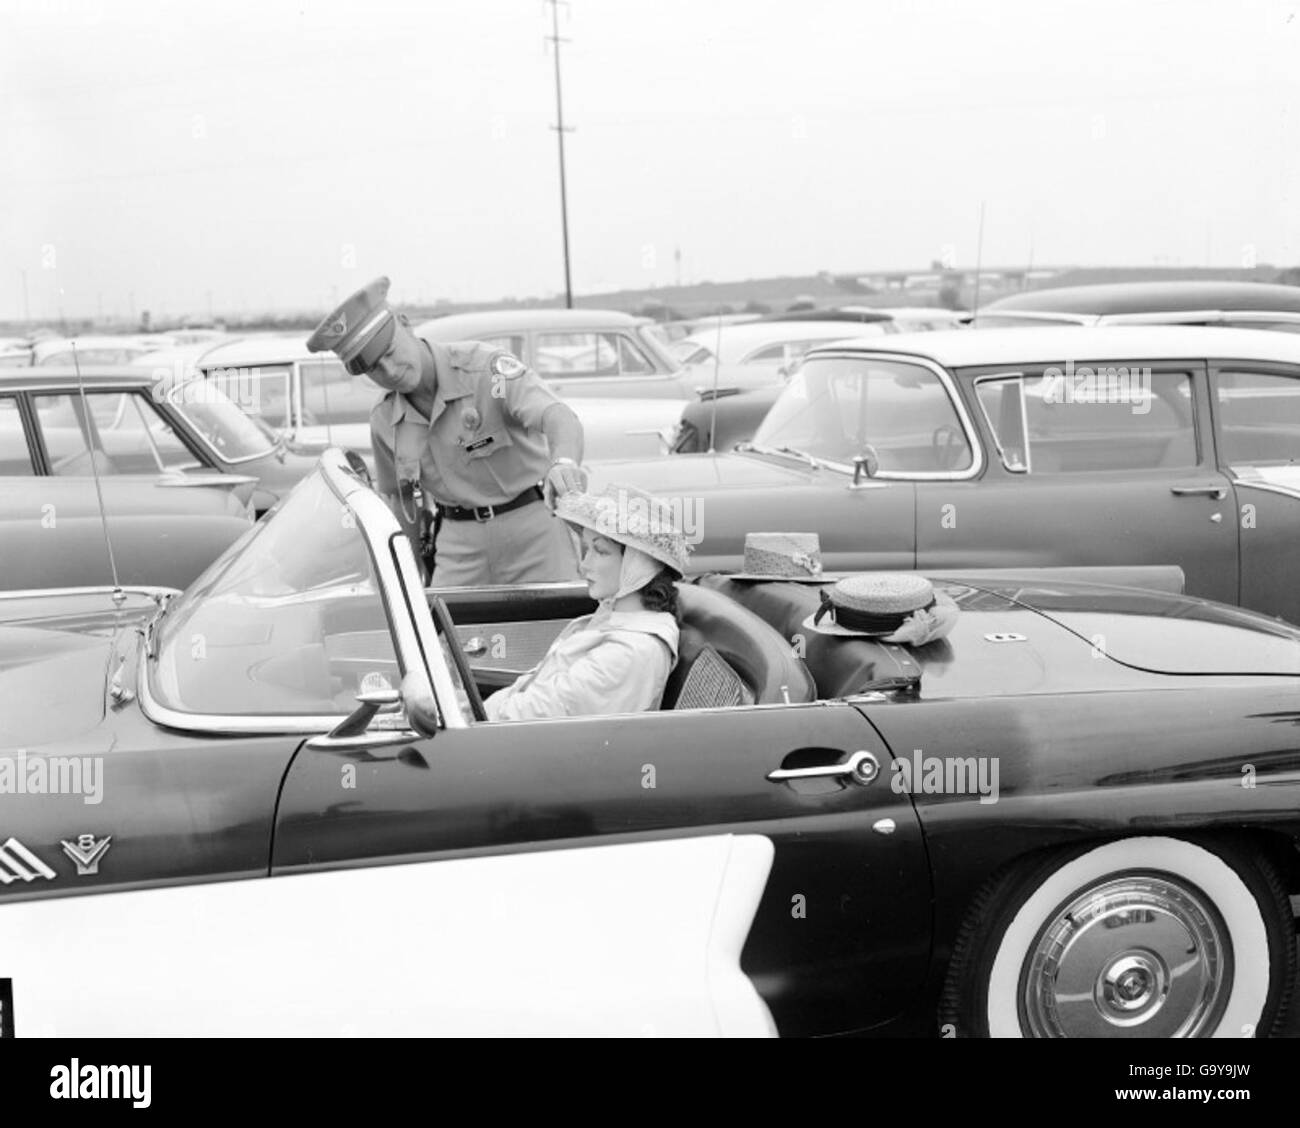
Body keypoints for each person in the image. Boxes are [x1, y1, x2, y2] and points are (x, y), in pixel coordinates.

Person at [306, 276, 587, 586]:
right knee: (442, 629)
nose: (390, 372)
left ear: (404, 323)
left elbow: (558, 417)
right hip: (458, 542)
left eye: (389, 353)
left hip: (533, 529)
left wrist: (564, 464)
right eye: (373, 368)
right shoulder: (384, 419)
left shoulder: (485, 369)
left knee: (555, 627)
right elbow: (403, 504)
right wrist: (405, 579)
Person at [482, 485, 689, 721]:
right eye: (587, 549)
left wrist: (472, 714)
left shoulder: (629, 653)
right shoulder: (615, 620)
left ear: (637, 564)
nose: (584, 565)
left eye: (600, 552)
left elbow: (540, 711)